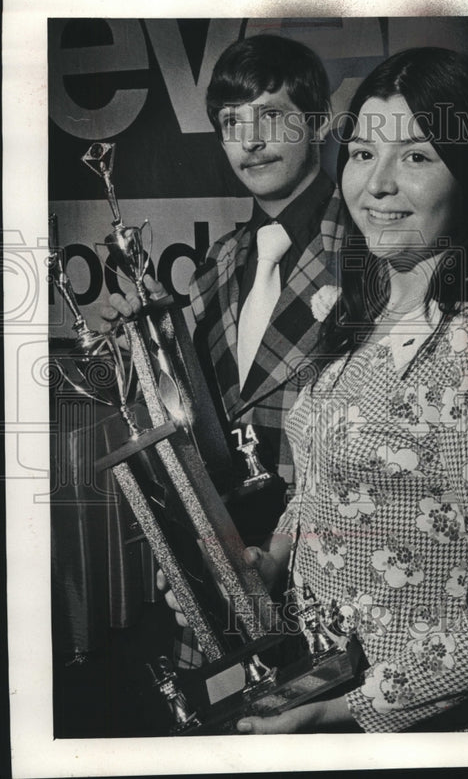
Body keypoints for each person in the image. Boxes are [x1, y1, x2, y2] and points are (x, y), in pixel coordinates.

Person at [225, 46, 468, 733]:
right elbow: (320, 479)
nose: (378, 185)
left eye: (417, 156)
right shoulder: (361, 315)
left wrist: (346, 709)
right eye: (364, 153)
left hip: (430, 731)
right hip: (323, 687)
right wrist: (274, 558)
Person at [100, 34, 348, 666]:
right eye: (233, 122)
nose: (251, 140)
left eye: (272, 115)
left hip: (334, 552)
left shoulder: (368, 244)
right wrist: (154, 341)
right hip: (233, 553)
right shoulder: (221, 259)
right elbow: (202, 417)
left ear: (316, 120)